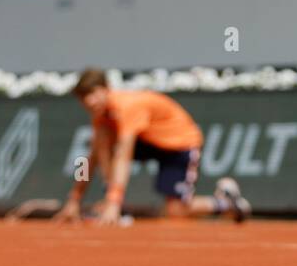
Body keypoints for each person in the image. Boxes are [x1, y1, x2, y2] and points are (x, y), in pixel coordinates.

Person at [56, 68, 249, 225]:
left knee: (176, 212)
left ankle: (226, 203)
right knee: (99, 143)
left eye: (92, 93)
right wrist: (74, 199)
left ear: (106, 89)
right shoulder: (100, 116)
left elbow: (124, 153)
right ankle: (111, 200)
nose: (89, 101)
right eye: (83, 97)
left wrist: (115, 200)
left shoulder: (127, 107)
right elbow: (90, 159)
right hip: (151, 141)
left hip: (179, 143)